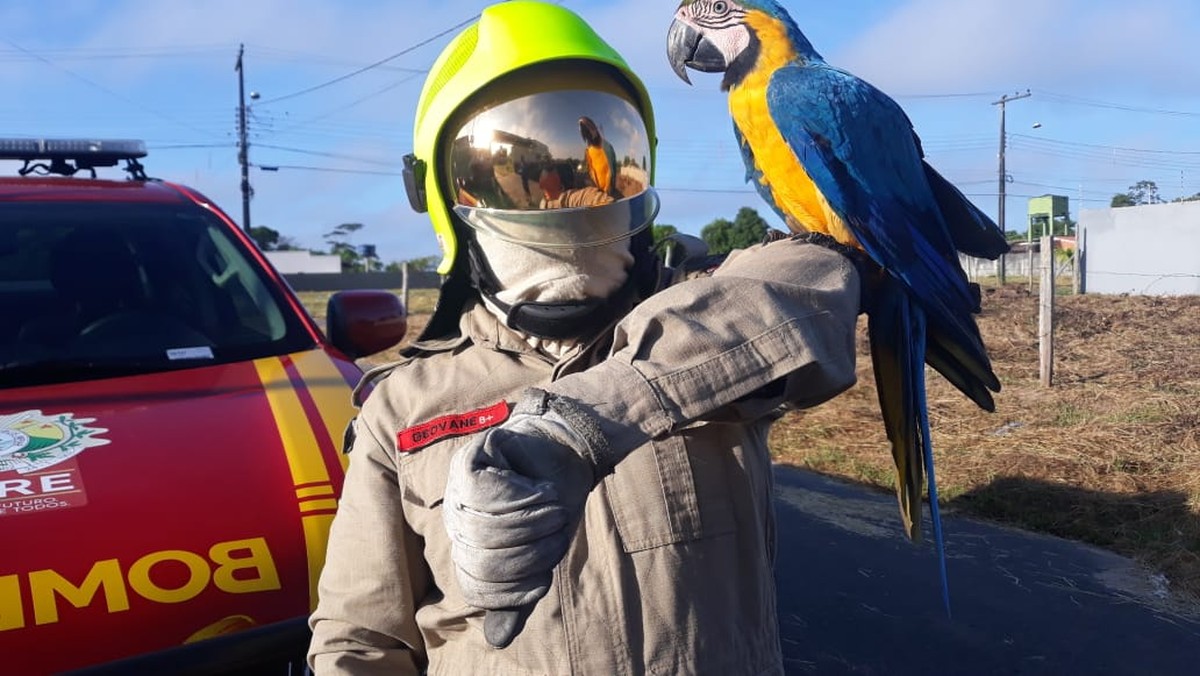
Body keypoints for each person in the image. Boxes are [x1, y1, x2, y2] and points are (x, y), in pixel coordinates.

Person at [308, 2, 862, 674]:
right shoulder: (404, 407)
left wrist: (590, 417)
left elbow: (817, 283)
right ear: (446, 192)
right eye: (516, 171)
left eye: (595, 164)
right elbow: (359, 640)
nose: (568, 199)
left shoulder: (703, 309)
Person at [579, 115, 618, 197]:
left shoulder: (606, 147)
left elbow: (611, 172)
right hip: (598, 190)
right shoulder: (588, 151)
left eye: (590, 126)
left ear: (595, 129)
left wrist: (608, 190)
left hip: (608, 191)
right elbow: (591, 171)